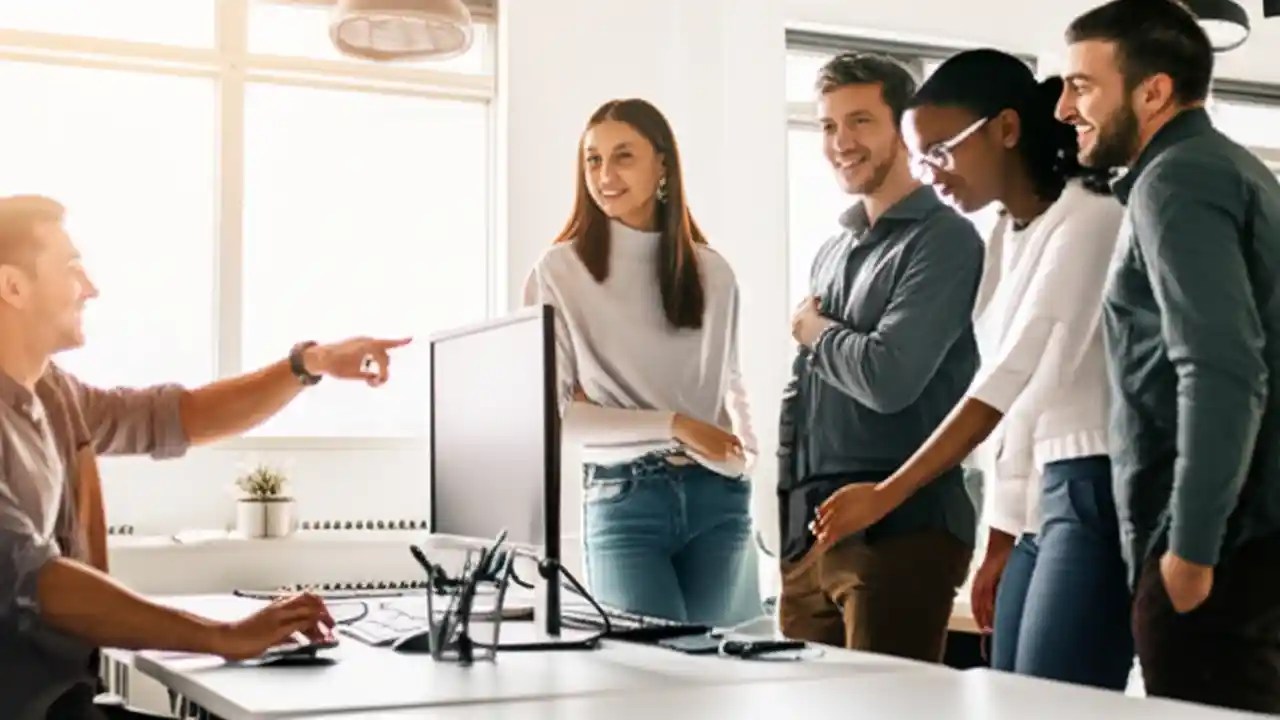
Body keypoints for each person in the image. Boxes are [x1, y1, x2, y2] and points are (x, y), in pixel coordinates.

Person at [0, 195, 412, 720]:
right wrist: (224, 635)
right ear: (13, 286)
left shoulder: (54, 394)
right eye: (72, 269)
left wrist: (312, 363)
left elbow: (180, 415)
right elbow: (34, 578)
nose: (92, 288)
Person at [813, 49, 1133, 688]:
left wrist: (885, 494)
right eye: (921, 155)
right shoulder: (1004, 236)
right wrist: (1001, 540)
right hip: (1038, 495)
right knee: (1009, 691)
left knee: (1050, 702)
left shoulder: (1091, 219)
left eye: (940, 151)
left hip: (1093, 488)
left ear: (1006, 130)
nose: (930, 172)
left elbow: (1007, 381)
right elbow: (1011, 407)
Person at [1057, 0, 1280, 712]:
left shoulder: (1177, 179)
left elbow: (1223, 368)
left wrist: (1190, 551)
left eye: (1082, 85)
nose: (1063, 107)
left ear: (1152, 90)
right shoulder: (1222, 168)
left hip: (1221, 556)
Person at [776, 53, 983, 662]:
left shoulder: (944, 239)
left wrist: (813, 331)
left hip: (900, 533)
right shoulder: (833, 249)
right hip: (811, 540)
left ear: (904, 128)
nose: (841, 141)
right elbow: (805, 395)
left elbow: (889, 376)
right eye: (827, 125)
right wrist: (791, 534)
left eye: (860, 121)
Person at [522, 98, 759, 626]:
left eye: (623, 156)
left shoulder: (714, 272)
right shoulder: (560, 271)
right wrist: (676, 425)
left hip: (719, 496)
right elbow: (556, 420)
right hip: (624, 499)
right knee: (648, 681)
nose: (605, 175)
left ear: (663, 166)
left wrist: (747, 458)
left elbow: (732, 389)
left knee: (710, 684)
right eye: (592, 160)